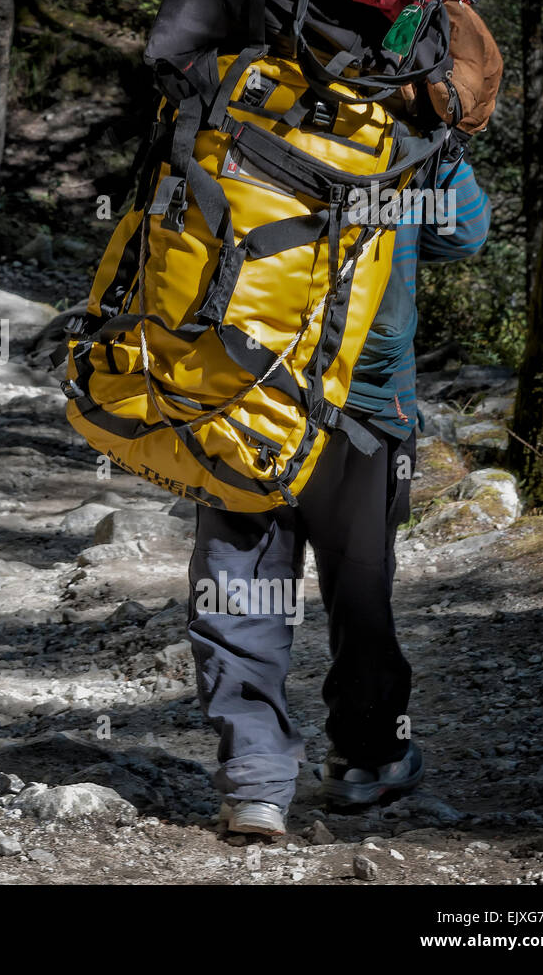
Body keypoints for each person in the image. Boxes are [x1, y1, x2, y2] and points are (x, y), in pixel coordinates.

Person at [190, 156, 491, 836]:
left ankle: (255, 782)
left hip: (246, 394)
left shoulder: (248, 95)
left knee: (240, 588)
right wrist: (440, 145)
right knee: (360, 590)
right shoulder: (398, 124)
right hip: (365, 408)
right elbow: (465, 233)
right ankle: (366, 759)